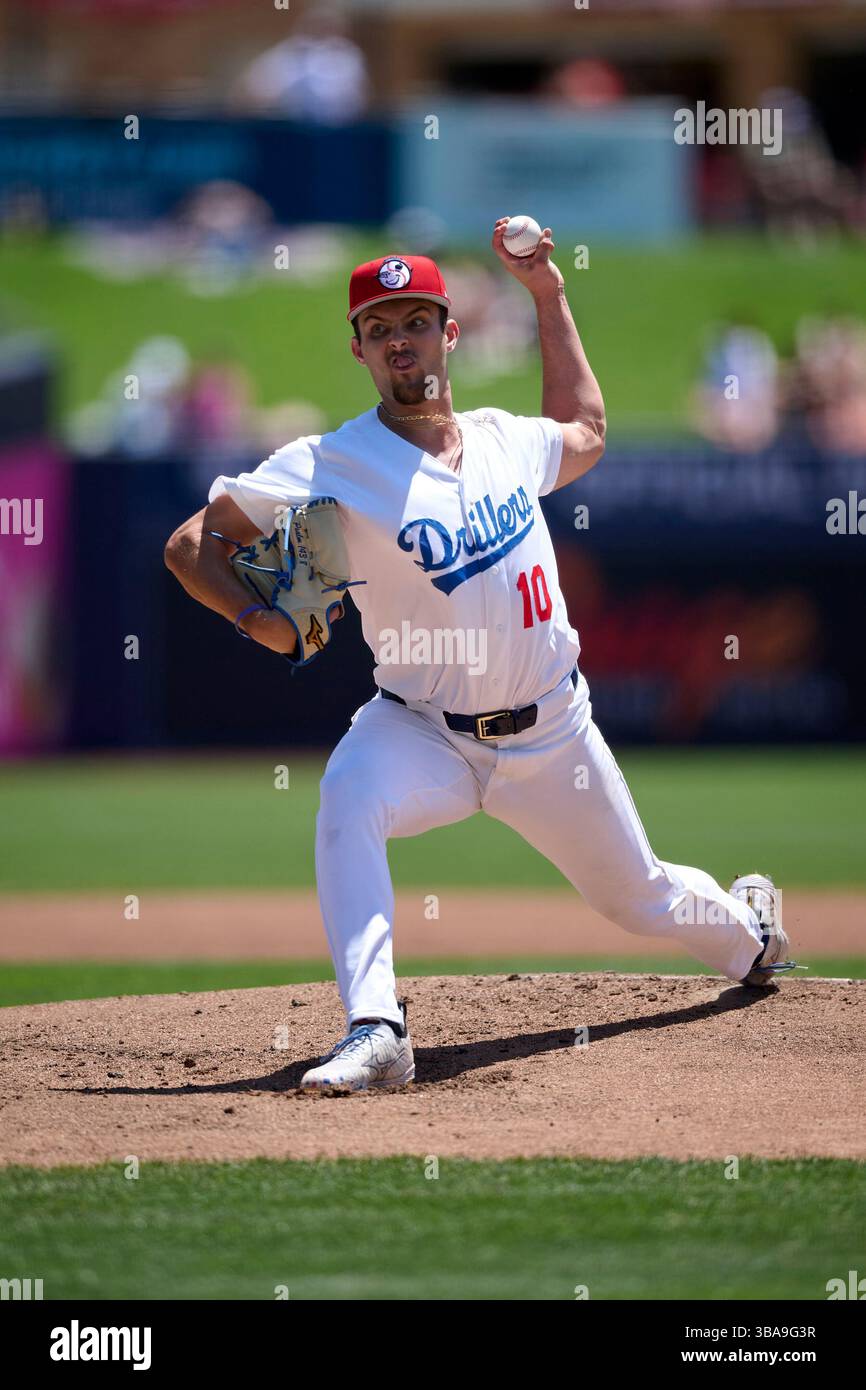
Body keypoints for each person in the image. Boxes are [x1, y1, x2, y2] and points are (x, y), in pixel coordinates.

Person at [164, 223, 794, 1092]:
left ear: (449, 334)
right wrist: (256, 620)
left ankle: (755, 931)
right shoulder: (330, 463)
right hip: (426, 732)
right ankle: (377, 1030)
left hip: (553, 735)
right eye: (379, 328)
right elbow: (191, 543)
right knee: (348, 792)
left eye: (415, 321)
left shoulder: (503, 438)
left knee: (638, 896)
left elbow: (587, 428)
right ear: (358, 349)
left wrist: (546, 292)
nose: (399, 340)